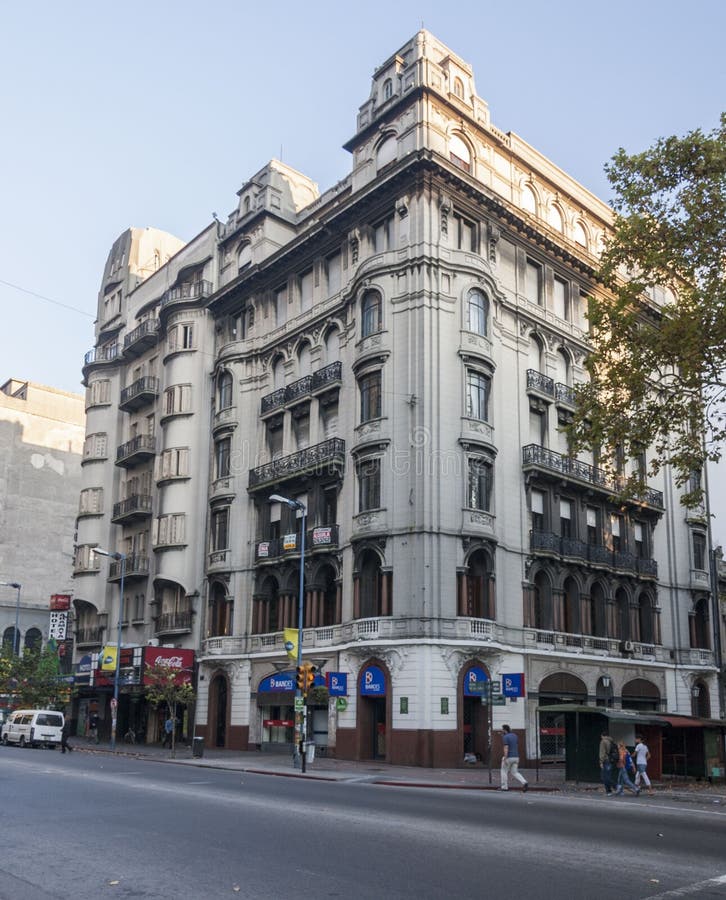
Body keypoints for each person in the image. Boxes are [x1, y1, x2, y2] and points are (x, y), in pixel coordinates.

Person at [499, 724, 529, 792]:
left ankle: (504, 787)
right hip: (516, 757)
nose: (502, 731)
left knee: (504, 771)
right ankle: (524, 782)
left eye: (502, 729)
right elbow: (515, 745)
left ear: (505, 730)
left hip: (509, 757)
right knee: (514, 772)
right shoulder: (515, 736)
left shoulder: (505, 737)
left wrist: (505, 758)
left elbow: (506, 747)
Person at [599, 731, 616, 795]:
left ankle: (615, 787)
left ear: (602, 736)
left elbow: (602, 753)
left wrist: (601, 761)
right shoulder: (611, 741)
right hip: (610, 760)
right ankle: (609, 791)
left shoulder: (603, 742)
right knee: (607, 776)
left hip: (605, 760)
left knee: (604, 777)